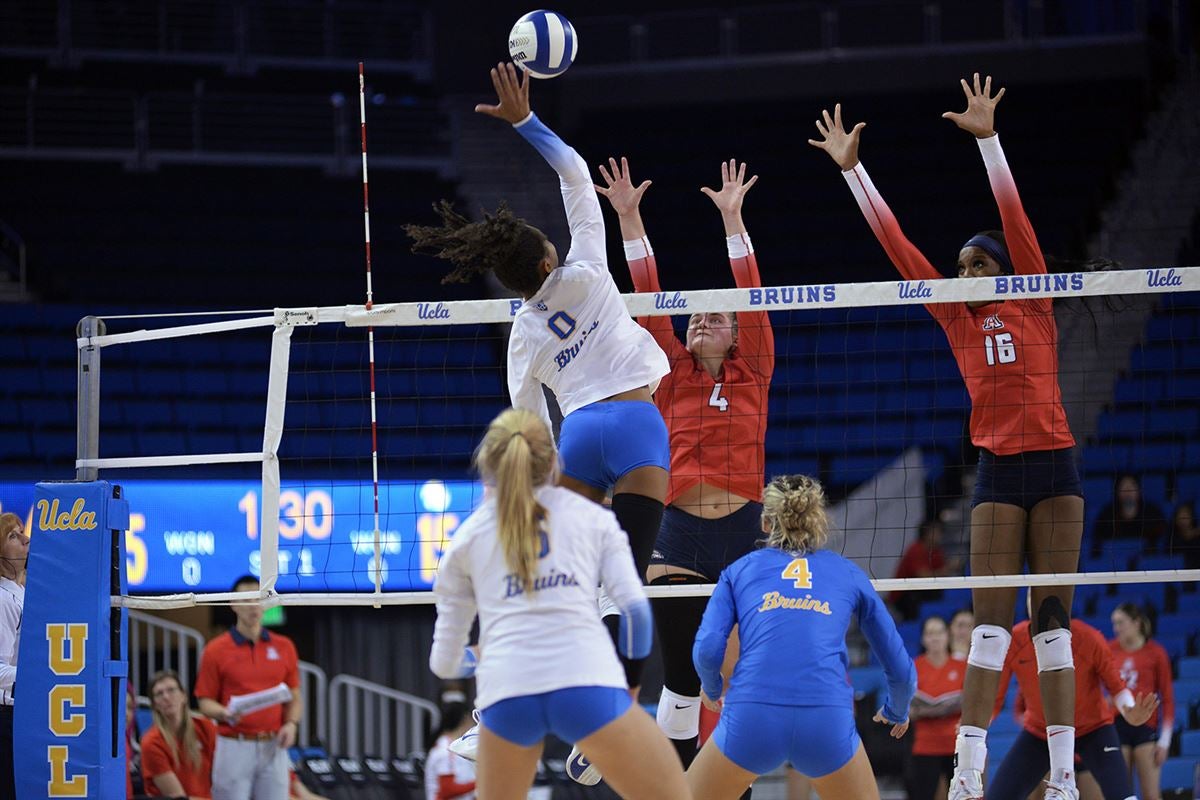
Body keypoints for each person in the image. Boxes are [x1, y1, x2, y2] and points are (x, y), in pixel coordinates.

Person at [811, 74, 1086, 799]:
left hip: (1056, 467)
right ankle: (968, 771)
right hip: (997, 471)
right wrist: (853, 172)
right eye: (960, 267)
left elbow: (1013, 212)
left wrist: (990, 140)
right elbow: (898, 246)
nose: (965, 273)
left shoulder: (1033, 295)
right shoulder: (955, 318)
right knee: (990, 629)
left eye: (978, 264)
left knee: (1052, 627)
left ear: (1005, 268)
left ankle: (1062, 778)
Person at [406, 62, 671, 698]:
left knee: (560, 576)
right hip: (638, 428)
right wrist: (527, 121)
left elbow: (526, 417)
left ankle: (501, 689)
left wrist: (547, 480)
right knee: (626, 579)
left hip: (578, 436)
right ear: (548, 257)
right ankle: (617, 702)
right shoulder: (587, 271)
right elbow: (576, 174)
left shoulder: (523, 330)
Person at [595, 154, 771, 770]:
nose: (702, 317)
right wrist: (629, 218)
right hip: (680, 534)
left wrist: (733, 218)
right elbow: (647, 294)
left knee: (736, 676)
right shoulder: (667, 374)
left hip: (745, 535)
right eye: (696, 312)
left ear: (736, 333)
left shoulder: (757, 370)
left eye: (715, 316)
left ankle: (730, 783)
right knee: (682, 678)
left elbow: (748, 288)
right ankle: (665, 779)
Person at [428, 408, 690, 800]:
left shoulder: (465, 539)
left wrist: (480, 656)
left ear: (488, 466)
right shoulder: (593, 518)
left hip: (508, 697)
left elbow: (444, 664)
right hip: (587, 685)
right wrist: (630, 687)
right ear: (555, 463)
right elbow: (634, 612)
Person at [686, 474, 915, 799]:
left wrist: (711, 688)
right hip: (825, 717)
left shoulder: (739, 570)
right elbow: (901, 668)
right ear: (819, 520)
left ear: (766, 523)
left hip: (753, 715)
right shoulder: (847, 572)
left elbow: (707, 650)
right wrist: (897, 710)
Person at [987, 610, 1159, 800]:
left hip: (1092, 729)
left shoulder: (1088, 637)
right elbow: (996, 695)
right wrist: (975, 724)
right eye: (1034, 593)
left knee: (1122, 796)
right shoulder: (1016, 640)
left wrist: (1129, 710)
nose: (1039, 599)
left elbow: (1116, 686)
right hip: (1040, 732)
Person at [195, 575, 302, 800]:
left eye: (258, 598)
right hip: (234, 744)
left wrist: (291, 724)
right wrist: (224, 713)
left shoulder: (284, 646)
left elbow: (294, 695)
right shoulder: (215, 650)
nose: (253, 605)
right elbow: (204, 701)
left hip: (273, 745)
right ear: (233, 604)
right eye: (246, 599)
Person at [1108, 602, 1175, 800]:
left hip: (1146, 726)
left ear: (1136, 623)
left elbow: (1168, 698)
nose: (1116, 628)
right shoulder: (1109, 649)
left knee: (1151, 795)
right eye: (1114, 623)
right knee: (1122, 794)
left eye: (1120, 623)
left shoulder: (1156, 652)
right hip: (1118, 724)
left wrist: (1164, 741)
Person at [907, 616, 965, 800]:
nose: (935, 638)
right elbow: (904, 707)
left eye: (939, 632)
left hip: (956, 745)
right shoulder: (914, 666)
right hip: (925, 745)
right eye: (930, 633)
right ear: (923, 639)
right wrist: (919, 711)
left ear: (947, 635)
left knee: (963, 796)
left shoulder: (962, 666)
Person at [141, 670, 218, 799]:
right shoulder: (151, 742)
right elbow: (178, 798)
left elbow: (224, 773)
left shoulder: (206, 727)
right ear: (154, 705)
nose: (166, 697)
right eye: (159, 694)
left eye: (171, 690)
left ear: (184, 696)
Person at [0, 512, 27, 800]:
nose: (25, 539)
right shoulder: (3, 598)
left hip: (22, 714)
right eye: (13, 536)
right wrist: (38, 675)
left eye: (21, 532)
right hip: (6, 717)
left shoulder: (22, 592)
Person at [891, 520, 963, 620]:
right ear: (927, 534)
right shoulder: (916, 549)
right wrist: (950, 568)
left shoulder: (936, 551)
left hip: (922, 590)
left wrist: (950, 567)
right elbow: (924, 575)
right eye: (937, 532)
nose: (940, 535)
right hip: (903, 594)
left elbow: (941, 574)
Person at [1091, 475, 1167, 555]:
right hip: (1114, 558)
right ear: (1117, 492)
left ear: (1139, 490)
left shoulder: (1152, 512)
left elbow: (1162, 536)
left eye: (1132, 486)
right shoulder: (1106, 514)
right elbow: (1099, 541)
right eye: (1124, 487)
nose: (1128, 491)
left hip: (1147, 558)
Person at [425, 695, 476, 800]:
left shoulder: (454, 745)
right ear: (465, 719)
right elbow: (447, 789)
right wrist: (483, 781)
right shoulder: (446, 749)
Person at [1171, 501, 1200, 569]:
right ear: (1176, 519)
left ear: (1191, 517)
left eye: (1186, 517)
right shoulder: (1171, 537)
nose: (1183, 521)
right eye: (1181, 517)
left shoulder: (1198, 537)